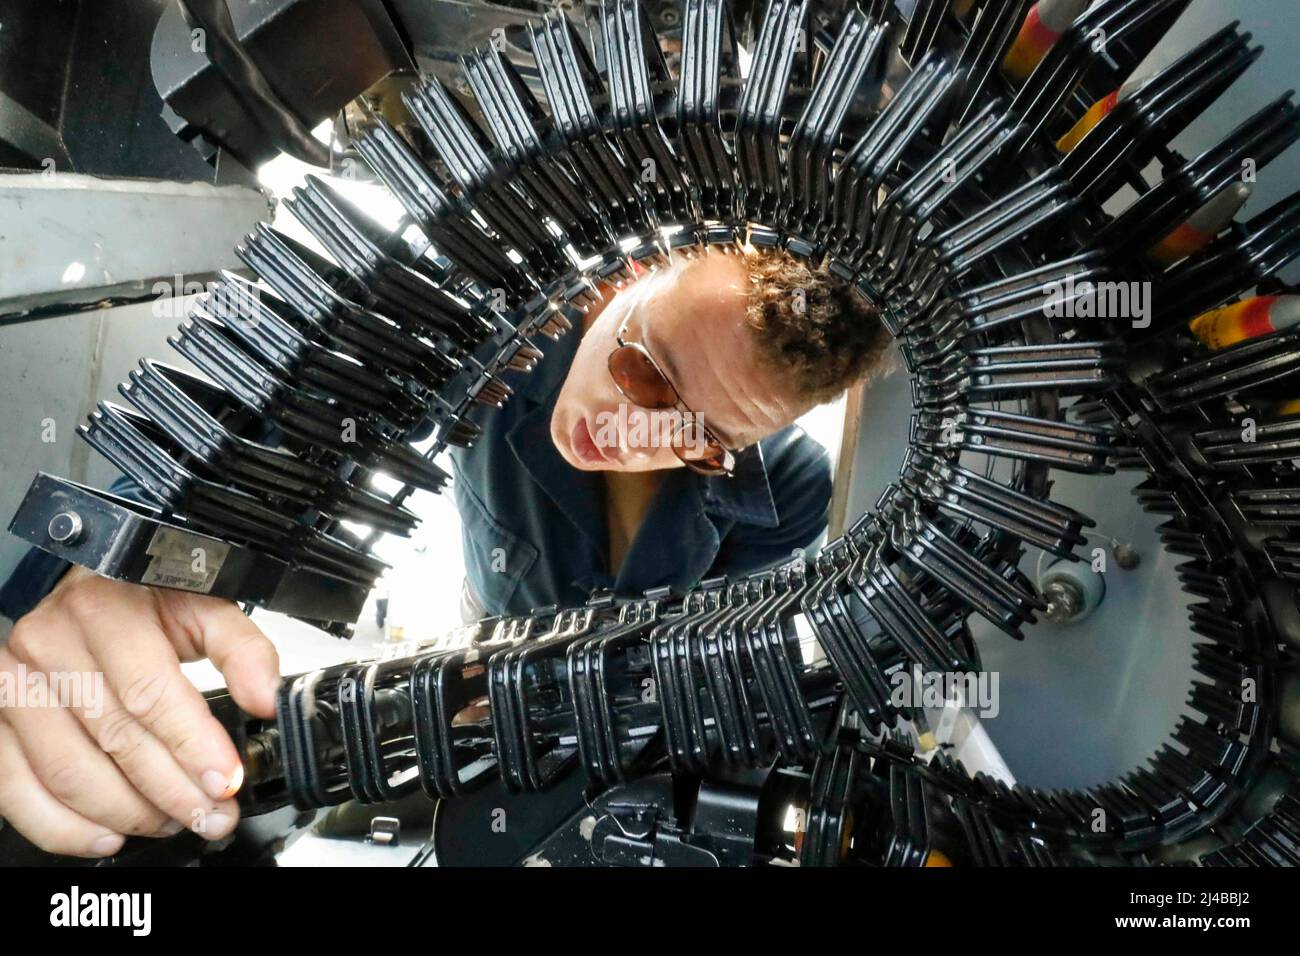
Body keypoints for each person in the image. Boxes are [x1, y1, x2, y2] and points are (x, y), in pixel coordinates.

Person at [0, 243, 889, 858]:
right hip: (478, 645)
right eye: (642, 372)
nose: (631, 432)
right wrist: (123, 560)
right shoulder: (497, 340)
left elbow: (702, 658)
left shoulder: (792, 491)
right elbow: (299, 399)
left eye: (697, 435)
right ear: (636, 275)